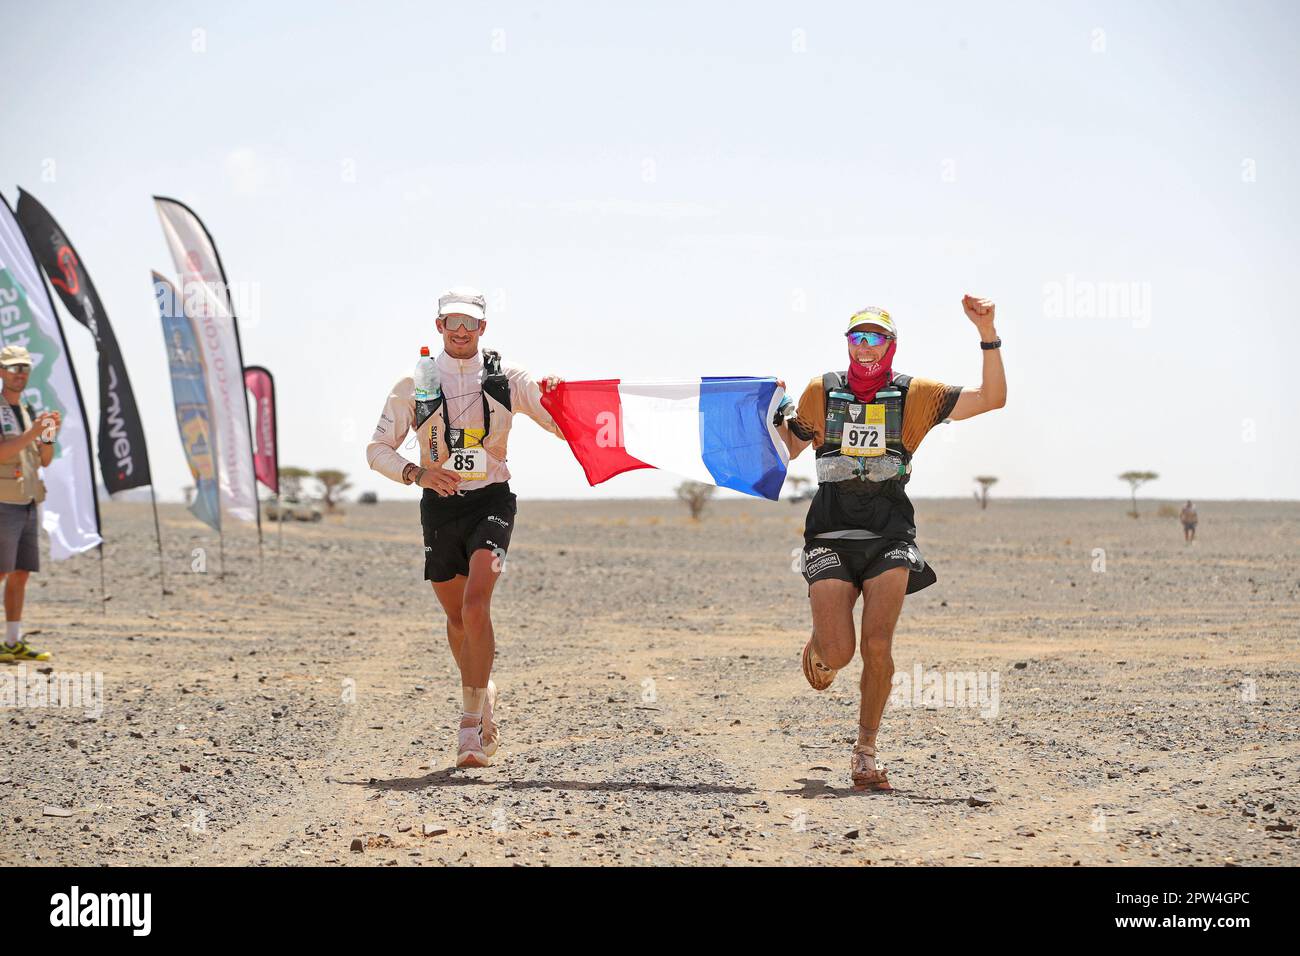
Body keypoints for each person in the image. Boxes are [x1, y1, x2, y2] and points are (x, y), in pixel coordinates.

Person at [775, 298, 1006, 789]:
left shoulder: (916, 395)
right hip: (830, 534)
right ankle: (820, 645)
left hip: (890, 536)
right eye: (855, 338)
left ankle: (865, 751)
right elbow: (788, 448)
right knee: (839, 653)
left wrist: (987, 332)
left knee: (878, 644)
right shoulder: (822, 390)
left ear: (890, 346)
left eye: (874, 338)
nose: (864, 348)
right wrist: (775, 410)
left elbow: (992, 398)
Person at [366, 287, 563, 768]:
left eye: (468, 323)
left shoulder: (508, 380)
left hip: (492, 502)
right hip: (440, 507)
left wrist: (559, 395)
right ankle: (484, 692)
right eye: (451, 322)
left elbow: (559, 423)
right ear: (439, 327)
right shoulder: (414, 384)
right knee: (457, 619)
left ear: (482, 329)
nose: (459, 330)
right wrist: (418, 473)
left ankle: (470, 728)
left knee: (477, 605)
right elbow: (377, 451)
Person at [0, 345, 60, 663]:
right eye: (12, 367)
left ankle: (12, 641)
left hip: (27, 499)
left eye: (23, 367)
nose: (19, 373)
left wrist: (47, 437)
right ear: (1, 372)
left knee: (21, 573)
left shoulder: (27, 409)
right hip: (2, 500)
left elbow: (44, 460)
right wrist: (33, 431)